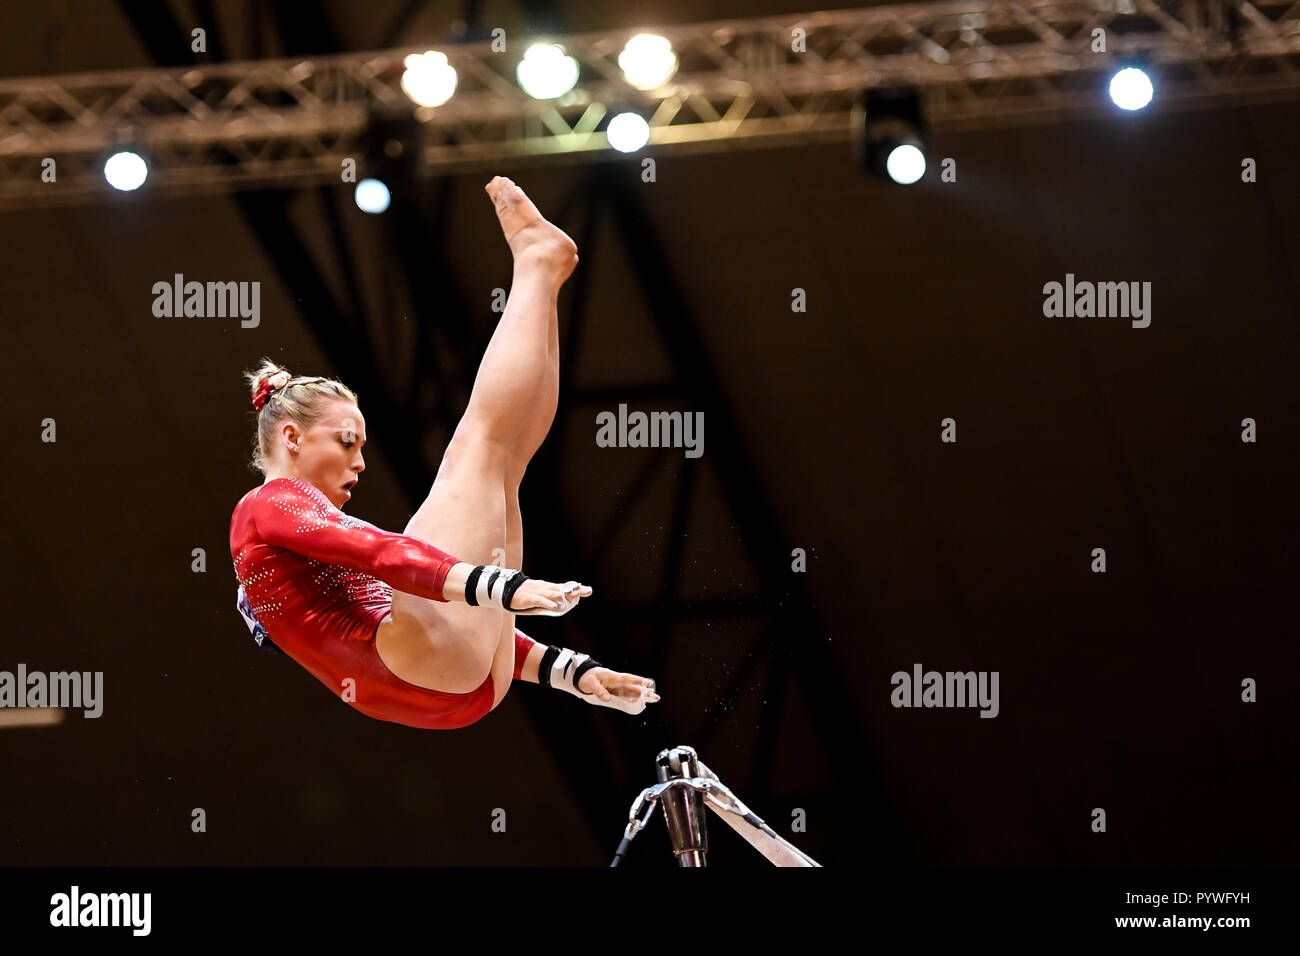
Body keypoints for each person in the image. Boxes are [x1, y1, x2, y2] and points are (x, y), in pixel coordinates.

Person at [228, 177, 659, 729]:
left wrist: (572, 673)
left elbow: (416, 585)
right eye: (346, 442)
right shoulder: (265, 505)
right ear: (291, 438)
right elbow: (381, 554)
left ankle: (542, 275)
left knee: (504, 464)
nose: (361, 462)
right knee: (477, 451)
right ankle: (537, 264)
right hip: (422, 662)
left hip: (458, 687)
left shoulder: (295, 537)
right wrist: (502, 587)